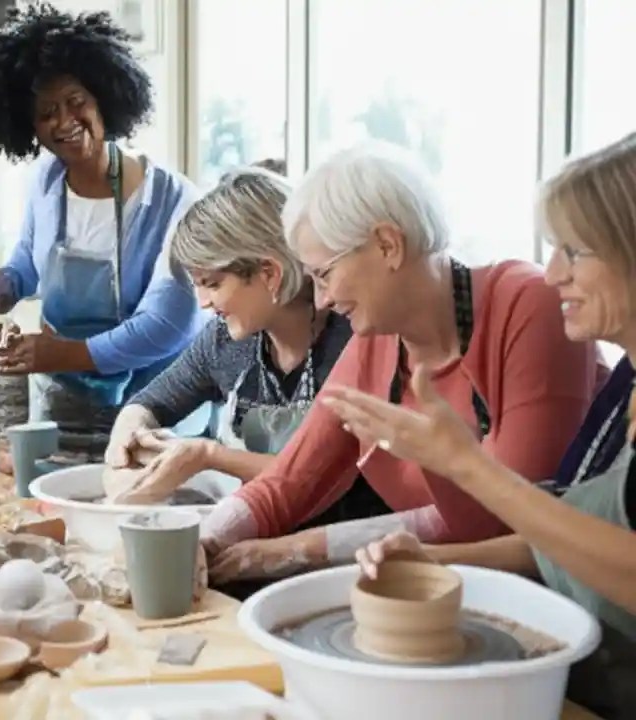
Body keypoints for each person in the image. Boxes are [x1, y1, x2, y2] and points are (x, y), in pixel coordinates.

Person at [196, 141, 600, 585]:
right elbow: (290, 481)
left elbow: (506, 521)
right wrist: (206, 538)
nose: (322, 299)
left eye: (324, 274)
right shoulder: (377, 341)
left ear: (387, 245)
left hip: (558, 595)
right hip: (443, 585)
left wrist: (300, 549)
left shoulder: (530, 304)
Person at [335, 133, 636, 719]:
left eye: (574, 251)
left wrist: (466, 464)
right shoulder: (625, 384)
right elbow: (564, 540)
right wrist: (439, 563)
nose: (552, 276)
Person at [0, 3, 205, 457]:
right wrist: (5, 284)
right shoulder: (45, 181)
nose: (64, 121)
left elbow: (169, 324)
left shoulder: (175, 201)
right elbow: (26, 257)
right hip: (63, 406)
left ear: (105, 97)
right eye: (45, 113)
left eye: (76, 102)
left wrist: (60, 354)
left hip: (155, 410)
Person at [104, 163, 386, 526]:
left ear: (269, 273)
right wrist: (124, 440)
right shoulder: (225, 342)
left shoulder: (357, 340)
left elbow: (326, 477)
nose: (204, 302)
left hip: (343, 556)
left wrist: (208, 455)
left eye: (213, 283)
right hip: (250, 537)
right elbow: (149, 403)